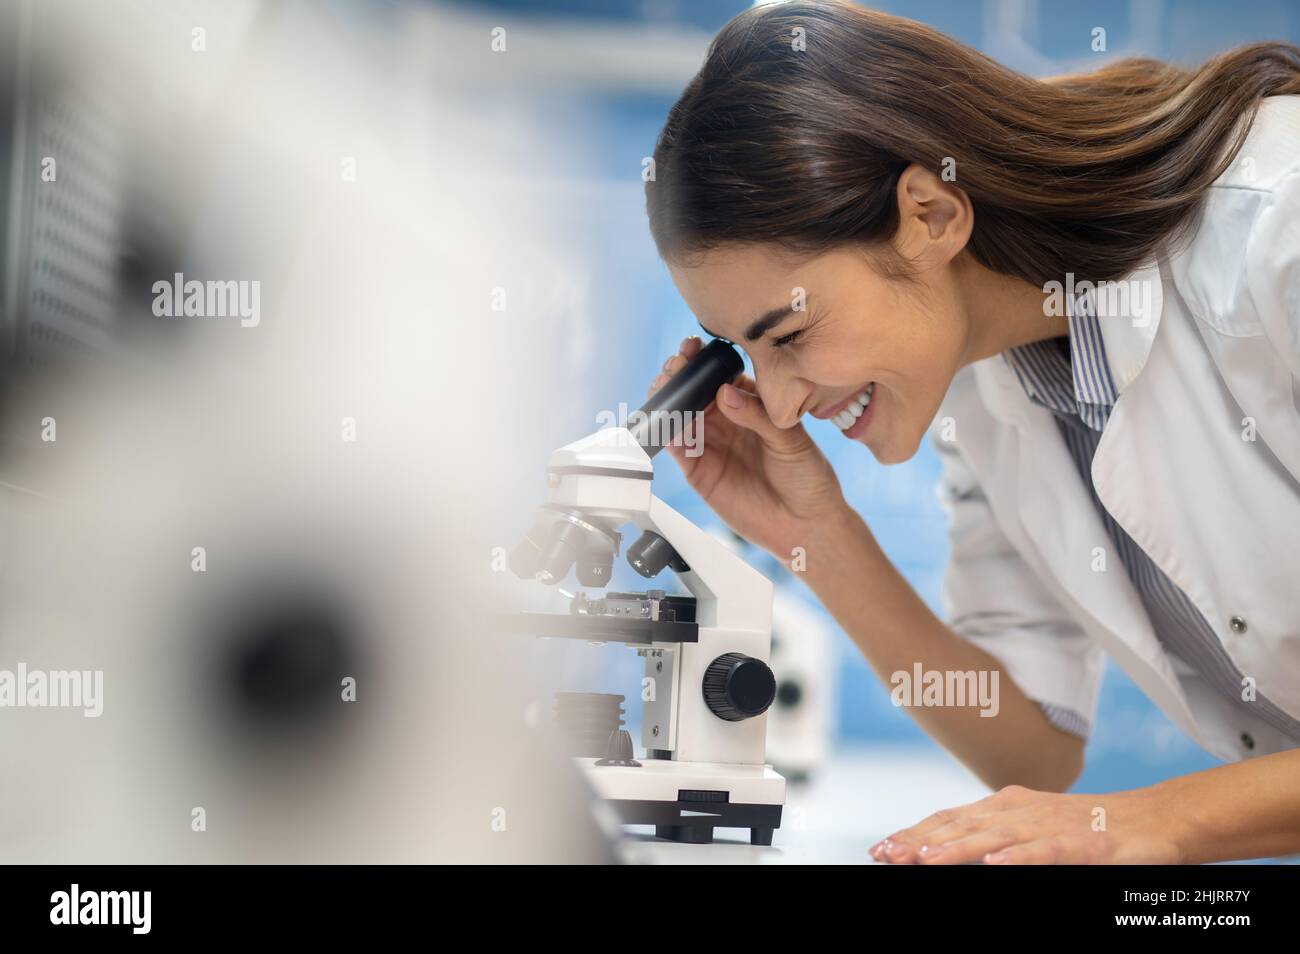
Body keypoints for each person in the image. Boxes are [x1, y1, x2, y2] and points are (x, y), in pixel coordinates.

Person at [643, 0, 1300, 864]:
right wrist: (816, 536)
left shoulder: (1276, 227)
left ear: (931, 216)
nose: (782, 402)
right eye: (750, 353)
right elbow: (1031, 747)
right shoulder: (984, 382)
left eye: (791, 335)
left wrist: (1160, 820)